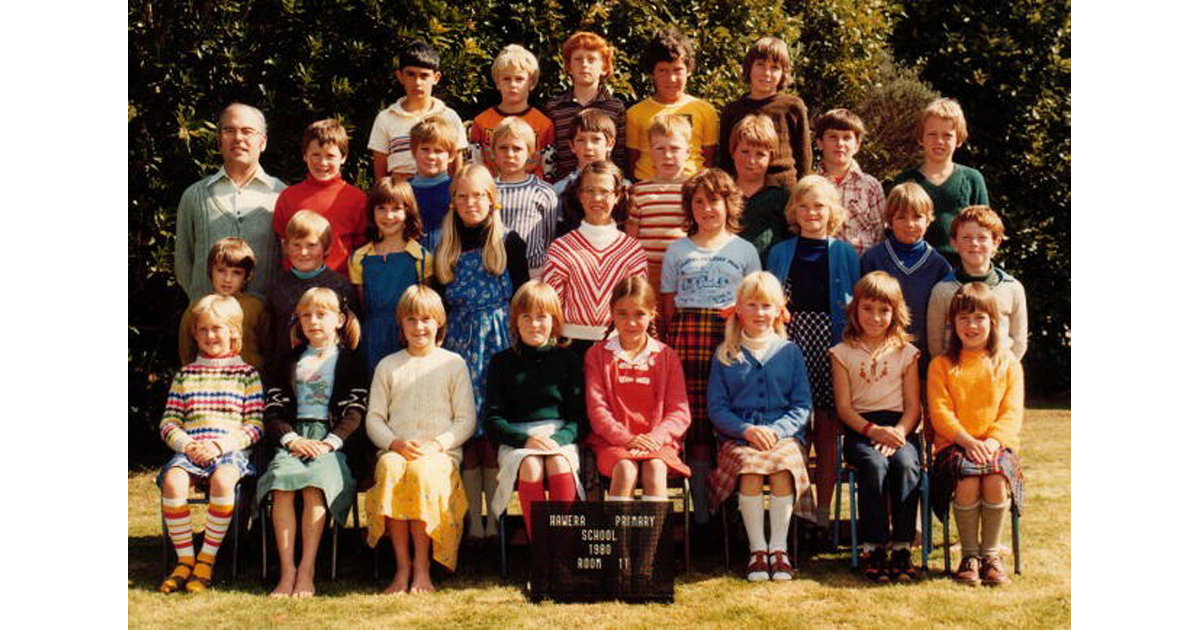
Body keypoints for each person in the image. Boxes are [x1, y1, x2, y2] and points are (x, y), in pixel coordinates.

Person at [433, 164, 530, 542]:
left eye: (478, 195)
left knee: (493, 433)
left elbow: (522, 298)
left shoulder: (509, 242)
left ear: (492, 199)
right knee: (466, 432)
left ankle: (498, 517)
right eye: (462, 196)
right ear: (453, 201)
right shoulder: (443, 246)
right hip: (458, 345)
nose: (470, 203)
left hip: (500, 344)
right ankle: (474, 519)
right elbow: (438, 305)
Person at [661, 168, 760, 525]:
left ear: (728, 203)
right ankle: (702, 513)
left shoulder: (745, 249)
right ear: (689, 208)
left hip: (731, 335)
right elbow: (669, 306)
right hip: (690, 338)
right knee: (699, 426)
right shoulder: (677, 250)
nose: (707, 209)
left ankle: (730, 509)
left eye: (713, 200)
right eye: (698, 202)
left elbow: (754, 299)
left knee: (729, 421)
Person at [257, 287, 369, 597]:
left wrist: (329, 443)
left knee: (313, 484)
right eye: (306, 315)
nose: (313, 321)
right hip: (293, 438)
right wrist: (291, 440)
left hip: (332, 441)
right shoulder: (289, 360)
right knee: (281, 482)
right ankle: (287, 569)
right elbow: (273, 411)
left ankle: (307, 568)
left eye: (322, 314)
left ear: (340, 319)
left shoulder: (351, 361)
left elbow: (356, 412)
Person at [766, 174, 860, 540]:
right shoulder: (780, 251)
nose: (811, 213)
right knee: (794, 427)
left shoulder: (845, 253)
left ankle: (823, 512)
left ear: (832, 211)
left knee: (826, 428)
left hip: (830, 344)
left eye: (819, 206)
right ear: (794, 211)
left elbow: (852, 308)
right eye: (803, 206)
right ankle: (795, 512)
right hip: (790, 343)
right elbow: (772, 302)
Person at [365, 285, 475, 594]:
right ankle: (402, 568)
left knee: (422, 474)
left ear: (439, 322)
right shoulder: (388, 365)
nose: (419, 327)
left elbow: (465, 419)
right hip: (397, 449)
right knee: (391, 470)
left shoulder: (453, 364)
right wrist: (394, 443)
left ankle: (423, 568)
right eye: (411, 320)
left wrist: (437, 445)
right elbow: (374, 418)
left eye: (426, 319)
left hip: (439, 454)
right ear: (400, 324)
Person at [707, 272, 815, 582]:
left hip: (784, 437)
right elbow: (717, 408)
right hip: (738, 438)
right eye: (752, 305)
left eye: (767, 306)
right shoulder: (726, 354)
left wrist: (778, 431)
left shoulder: (789, 352)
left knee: (782, 468)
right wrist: (745, 430)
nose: (759, 313)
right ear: (738, 308)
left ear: (779, 309)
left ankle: (778, 549)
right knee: (750, 469)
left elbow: (801, 405)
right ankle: (757, 551)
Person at [158, 295, 264, 594]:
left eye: (217, 328)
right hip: (191, 449)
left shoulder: (246, 375)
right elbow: (168, 422)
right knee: (174, 481)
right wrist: (187, 444)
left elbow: (254, 426)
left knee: (224, 479)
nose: (210, 336)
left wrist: (220, 446)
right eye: (202, 330)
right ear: (195, 333)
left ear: (233, 331)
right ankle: (185, 560)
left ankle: (207, 559)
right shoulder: (186, 374)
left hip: (228, 451)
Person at [928, 282, 1024, 587]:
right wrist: (968, 442)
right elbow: (940, 413)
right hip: (955, 444)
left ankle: (991, 556)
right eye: (963, 318)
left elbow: (1011, 413)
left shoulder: (1007, 363)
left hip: (997, 444)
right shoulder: (941, 365)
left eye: (979, 318)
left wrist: (992, 441)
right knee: (968, 479)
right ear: (952, 323)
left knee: (995, 478)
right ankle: (968, 556)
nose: (971, 326)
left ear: (993, 323)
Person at [829, 272, 922, 582]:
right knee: (873, 465)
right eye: (867, 308)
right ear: (855, 309)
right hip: (862, 429)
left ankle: (902, 547)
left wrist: (897, 432)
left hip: (899, 428)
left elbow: (913, 407)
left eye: (884, 310)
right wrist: (872, 431)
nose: (875, 317)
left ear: (896, 312)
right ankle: (874, 546)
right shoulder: (842, 353)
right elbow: (843, 408)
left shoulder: (906, 352)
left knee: (907, 464)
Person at [484, 281, 586, 537]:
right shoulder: (501, 362)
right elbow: (493, 419)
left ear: (555, 320)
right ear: (515, 322)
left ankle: (564, 550)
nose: (534, 324)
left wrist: (557, 440)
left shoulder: (569, 360)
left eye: (541, 317)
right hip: (517, 440)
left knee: (558, 464)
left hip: (558, 436)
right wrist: (525, 439)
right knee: (531, 466)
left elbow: (579, 417)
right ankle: (542, 551)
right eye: (525, 317)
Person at [585, 277, 691, 502]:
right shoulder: (597, 355)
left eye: (639, 314)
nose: (630, 322)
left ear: (653, 313)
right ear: (612, 313)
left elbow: (679, 413)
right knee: (625, 469)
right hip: (613, 443)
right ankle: (621, 538)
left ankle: (651, 539)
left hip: (657, 443)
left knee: (655, 468)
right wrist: (627, 439)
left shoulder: (666, 357)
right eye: (622, 313)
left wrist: (654, 438)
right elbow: (597, 411)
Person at [175, 102, 286, 301]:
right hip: (206, 326)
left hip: (263, 325)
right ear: (219, 141)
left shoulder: (282, 196)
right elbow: (183, 264)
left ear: (263, 142)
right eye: (229, 130)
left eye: (247, 131)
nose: (238, 138)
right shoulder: (194, 196)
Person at [543, 160, 649, 356]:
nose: (596, 198)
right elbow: (551, 305)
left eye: (605, 191)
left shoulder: (632, 250)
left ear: (617, 195)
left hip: (618, 345)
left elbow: (638, 304)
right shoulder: (561, 247)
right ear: (579, 195)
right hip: (569, 347)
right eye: (589, 190)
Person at [860, 182, 951, 367]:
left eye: (917, 217)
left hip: (926, 358)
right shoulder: (872, 259)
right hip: (880, 358)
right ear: (889, 220)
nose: (910, 224)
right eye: (901, 217)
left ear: (929, 219)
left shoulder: (939, 266)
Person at [350, 179, 434, 373]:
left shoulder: (421, 257)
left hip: (409, 337)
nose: (389, 216)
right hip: (373, 338)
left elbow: (427, 305)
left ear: (408, 212)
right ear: (372, 211)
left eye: (396, 209)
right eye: (381, 208)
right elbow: (362, 305)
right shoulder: (360, 258)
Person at [894, 98, 989, 265]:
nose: (939, 141)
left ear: (959, 139)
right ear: (921, 138)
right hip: (913, 268)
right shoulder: (904, 181)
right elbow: (892, 229)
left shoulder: (972, 179)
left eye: (947, 135)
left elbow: (986, 230)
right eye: (932, 134)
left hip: (959, 269)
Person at [926, 205, 1027, 360]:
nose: (974, 243)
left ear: (996, 242)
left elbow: (1019, 341)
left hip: (998, 377)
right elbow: (935, 344)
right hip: (955, 376)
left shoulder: (1013, 288)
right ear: (954, 242)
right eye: (966, 237)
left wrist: (1005, 371)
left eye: (982, 238)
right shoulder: (942, 291)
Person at [271, 118, 368, 277]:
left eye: (330, 156)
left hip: (340, 285)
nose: (322, 162)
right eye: (315, 155)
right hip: (297, 284)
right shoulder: (288, 197)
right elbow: (283, 245)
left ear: (343, 157)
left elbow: (362, 248)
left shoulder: (357, 199)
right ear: (304, 155)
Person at [265, 211, 361, 360]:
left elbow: (352, 332)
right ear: (286, 246)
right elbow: (269, 335)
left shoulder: (340, 287)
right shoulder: (277, 286)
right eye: (296, 245)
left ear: (327, 248)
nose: (303, 252)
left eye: (311, 245)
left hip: (329, 369)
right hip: (285, 370)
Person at [626, 27, 718, 182]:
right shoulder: (635, 113)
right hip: (648, 190)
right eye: (663, 71)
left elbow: (709, 158)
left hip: (692, 188)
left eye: (677, 70)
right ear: (651, 73)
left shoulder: (705, 110)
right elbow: (632, 160)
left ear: (688, 70)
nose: (671, 79)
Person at [368, 39, 468, 181]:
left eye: (424, 75)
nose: (417, 82)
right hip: (400, 195)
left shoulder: (449, 117)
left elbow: (457, 170)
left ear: (436, 77)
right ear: (400, 76)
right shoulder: (386, 118)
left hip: (439, 194)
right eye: (410, 74)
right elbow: (380, 174)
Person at [718, 37, 811, 188]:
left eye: (774, 67)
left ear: (783, 73)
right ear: (750, 68)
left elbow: (804, 157)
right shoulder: (732, 110)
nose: (766, 73)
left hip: (783, 188)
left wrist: (801, 191)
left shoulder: (793, 107)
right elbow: (725, 159)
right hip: (743, 189)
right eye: (760, 65)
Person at [544, 31, 627, 182]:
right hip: (566, 188)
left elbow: (620, 157)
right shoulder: (555, 109)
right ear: (568, 66)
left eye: (591, 59)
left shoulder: (615, 108)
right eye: (578, 59)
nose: (584, 65)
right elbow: (551, 157)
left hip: (604, 185)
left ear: (604, 67)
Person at [178, 237, 268, 370]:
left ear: (246, 277)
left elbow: (269, 350)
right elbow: (187, 352)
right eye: (221, 270)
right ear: (211, 271)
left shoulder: (257, 307)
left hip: (251, 384)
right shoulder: (197, 309)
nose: (227, 279)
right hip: (208, 383)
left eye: (236, 273)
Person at [627, 113, 692, 295]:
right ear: (650, 151)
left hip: (684, 271)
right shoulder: (638, 191)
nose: (668, 155)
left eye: (675, 148)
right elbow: (631, 237)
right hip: (647, 272)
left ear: (688, 151)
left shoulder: (694, 190)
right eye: (660, 149)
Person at [468, 44, 555, 179]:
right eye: (506, 79)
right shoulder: (481, 122)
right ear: (497, 82)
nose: (513, 85)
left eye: (519, 79)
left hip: (532, 193)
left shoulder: (544, 124)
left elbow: (549, 170)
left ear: (531, 83)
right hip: (491, 193)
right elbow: (474, 169)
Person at [491, 117, 559, 277]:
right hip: (495, 271)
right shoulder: (486, 190)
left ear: (530, 151)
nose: (510, 154)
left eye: (517, 148)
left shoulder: (543, 191)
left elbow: (549, 237)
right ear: (493, 150)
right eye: (503, 148)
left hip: (533, 270)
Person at [812, 108, 885, 255]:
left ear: (857, 145)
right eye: (833, 137)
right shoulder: (811, 185)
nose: (840, 143)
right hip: (821, 263)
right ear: (820, 143)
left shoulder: (870, 186)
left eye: (847, 138)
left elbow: (880, 232)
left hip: (862, 265)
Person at [727, 114, 790, 262]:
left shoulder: (782, 198)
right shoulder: (721, 195)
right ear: (733, 151)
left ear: (771, 158)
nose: (751, 160)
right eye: (744, 151)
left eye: (760, 154)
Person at [553, 108, 623, 233]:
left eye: (596, 140)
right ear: (572, 146)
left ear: (610, 144)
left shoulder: (624, 187)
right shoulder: (559, 190)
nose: (588, 147)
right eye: (581, 140)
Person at [408, 116, 459, 251]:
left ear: (451, 156)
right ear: (414, 152)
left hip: (447, 262)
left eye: (438, 151)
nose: (431, 156)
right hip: (411, 264)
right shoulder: (403, 191)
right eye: (425, 149)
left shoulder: (457, 190)